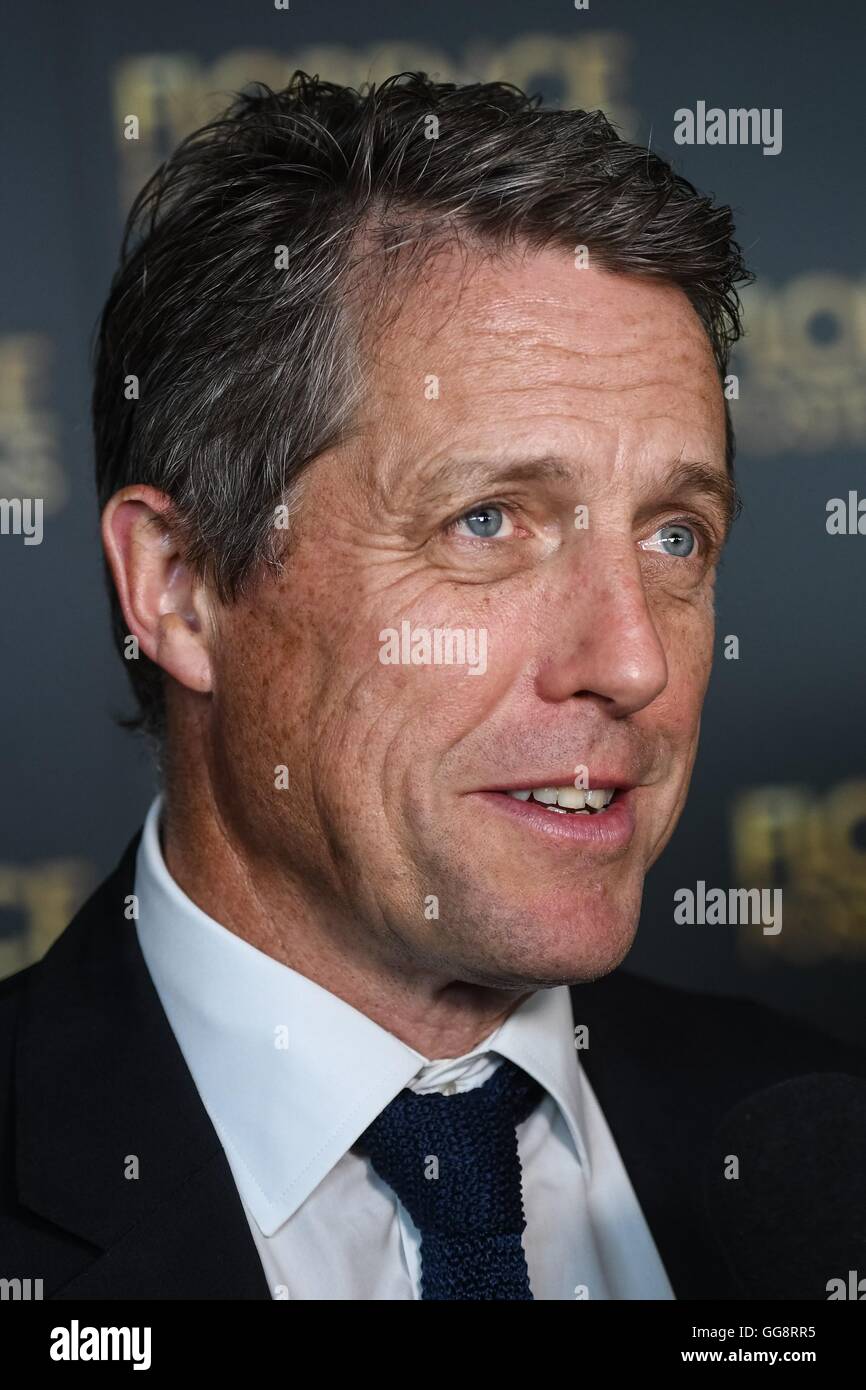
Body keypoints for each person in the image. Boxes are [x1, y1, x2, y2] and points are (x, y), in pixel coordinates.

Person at [2, 72, 863, 1301]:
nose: (634, 661)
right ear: (181, 586)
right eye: (488, 520)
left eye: (674, 536)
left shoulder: (819, 1171)